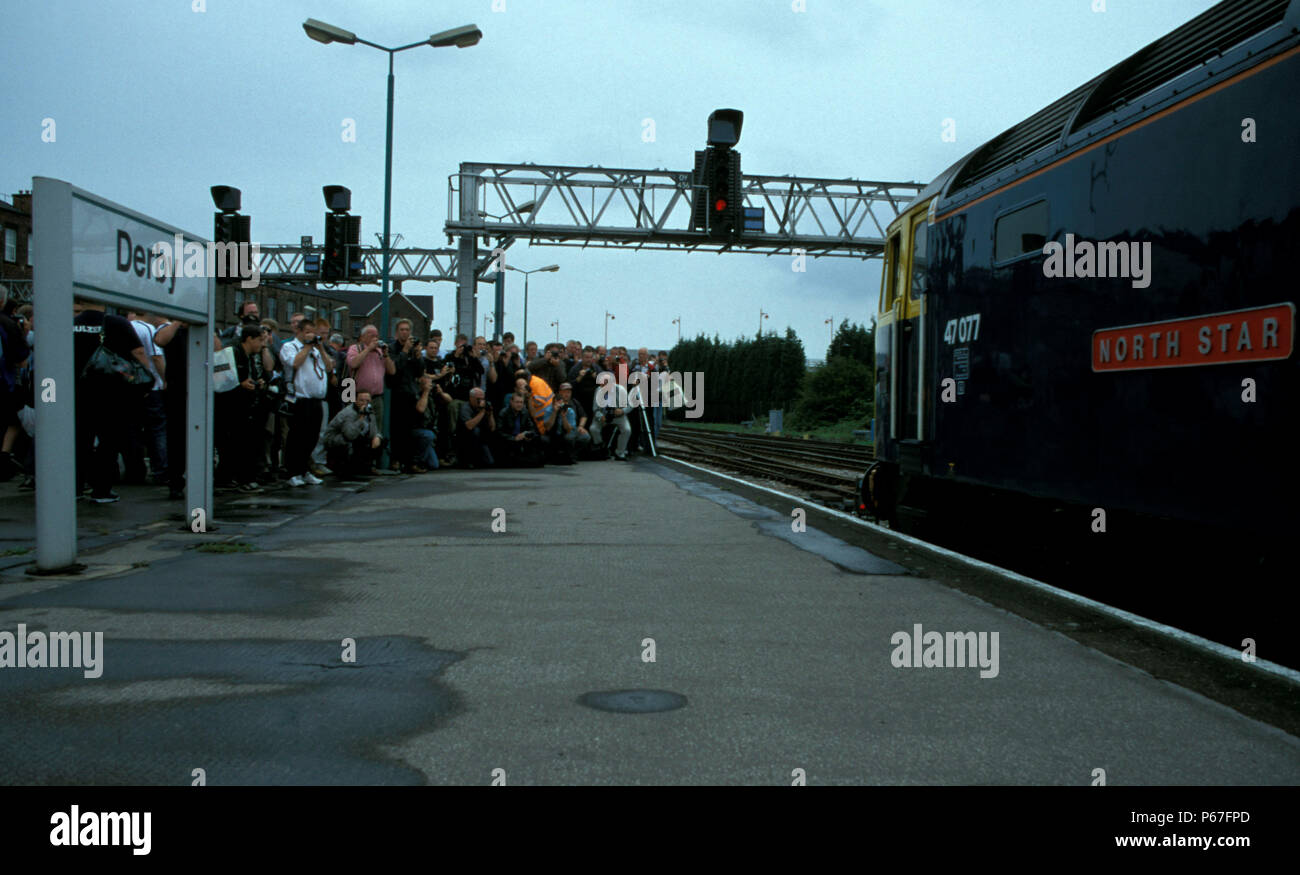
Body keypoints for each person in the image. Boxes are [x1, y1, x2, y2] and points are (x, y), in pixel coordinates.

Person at [73, 298, 148, 502]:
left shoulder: (70, 322)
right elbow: (138, 352)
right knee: (108, 442)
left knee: (80, 441)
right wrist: (150, 374)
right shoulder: (116, 322)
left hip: (76, 390)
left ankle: (76, 488)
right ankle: (102, 490)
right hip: (110, 391)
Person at [280, 317, 331, 486]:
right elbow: (295, 363)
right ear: (299, 332)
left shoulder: (316, 350)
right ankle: (292, 472)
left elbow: (329, 367)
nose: (311, 335)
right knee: (297, 437)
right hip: (300, 399)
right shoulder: (290, 347)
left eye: (313, 332)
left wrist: (320, 348)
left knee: (312, 437)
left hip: (316, 400)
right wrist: (308, 346)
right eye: (308, 332)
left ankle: (304, 470)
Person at [345, 325, 396, 443]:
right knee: (357, 427)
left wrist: (386, 355)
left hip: (376, 398)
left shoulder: (380, 352)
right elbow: (353, 363)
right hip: (358, 396)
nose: (375, 338)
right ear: (362, 337)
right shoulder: (355, 348)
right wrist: (368, 349)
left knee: (376, 429)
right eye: (371, 335)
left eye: (376, 336)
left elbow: (392, 371)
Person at [324, 390, 382, 478]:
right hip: (336, 440)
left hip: (356, 438)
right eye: (361, 400)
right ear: (355, 400)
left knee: (380, 442)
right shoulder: (348, 413)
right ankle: (343, 466)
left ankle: (366, 466)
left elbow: (374, 431)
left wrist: (377, 437)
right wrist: (361, 418)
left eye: (367, 401)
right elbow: (349, 435)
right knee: (350, 442)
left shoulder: (370, 412)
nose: (365, 403)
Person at [494, 391, 543, 467]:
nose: (519, 404)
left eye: (521, 402)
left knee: (539, 459)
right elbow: (499, 432)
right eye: (517, 402)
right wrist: (514, 438)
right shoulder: (503, 413)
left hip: (522, 440)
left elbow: (532, 429)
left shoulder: (525, 412)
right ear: (511, 402)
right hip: (509, 441)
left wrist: (527, 434)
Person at [457, 387, 495, 468]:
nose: (481, 401)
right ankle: (469, 460)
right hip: (466, 439)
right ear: (471, 398)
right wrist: (482, 412)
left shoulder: (484, 406)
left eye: (482, 399)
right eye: (478, 399)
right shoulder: (465, 408)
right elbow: (469, 426)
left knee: (490, 462)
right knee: (475, 431)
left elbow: (492, 428)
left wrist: (490, 414)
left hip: (481, 439)